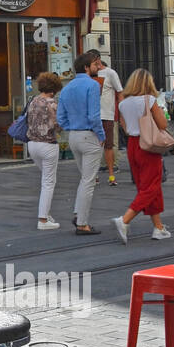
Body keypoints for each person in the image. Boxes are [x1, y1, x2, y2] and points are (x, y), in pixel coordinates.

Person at [112, 69, 171, 243]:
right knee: (152, 185)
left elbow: (124, 127)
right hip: (148, 146)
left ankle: (158, 227)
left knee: (145, 186)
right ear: (148, 83)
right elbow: (162, 123)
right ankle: (125, 220)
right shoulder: (150, 100)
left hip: (132, 145)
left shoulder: (123, 103)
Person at [56, 50, 104, 235]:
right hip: (88, 135)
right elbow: (94, 115)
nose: (98, 67)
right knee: (88, 181)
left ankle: (79, 214)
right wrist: (101, 135)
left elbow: (61, 117)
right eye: (95, 64)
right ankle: (82, 223)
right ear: (86, 67)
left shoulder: (67, 87)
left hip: (74, 135)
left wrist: (71, 127)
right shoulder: (92, 85)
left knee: (84, 178)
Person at [27, 72, 62, 230]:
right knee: (48, 182)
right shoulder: (52, 103)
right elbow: (58, 125)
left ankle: (46, 214)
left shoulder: (33, 101)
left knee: (46, 179)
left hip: (32, 144)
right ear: (54, 89)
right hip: (48, 144)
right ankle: (43, 219)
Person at [97, 62, 123, 186]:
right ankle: (99, 170)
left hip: (109, 114)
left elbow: (120, 93)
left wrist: (121, 113)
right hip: (95, 115)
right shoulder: (88, 75)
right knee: (95, 145)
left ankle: (113, 169)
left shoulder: (110, 73)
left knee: (110, 143)